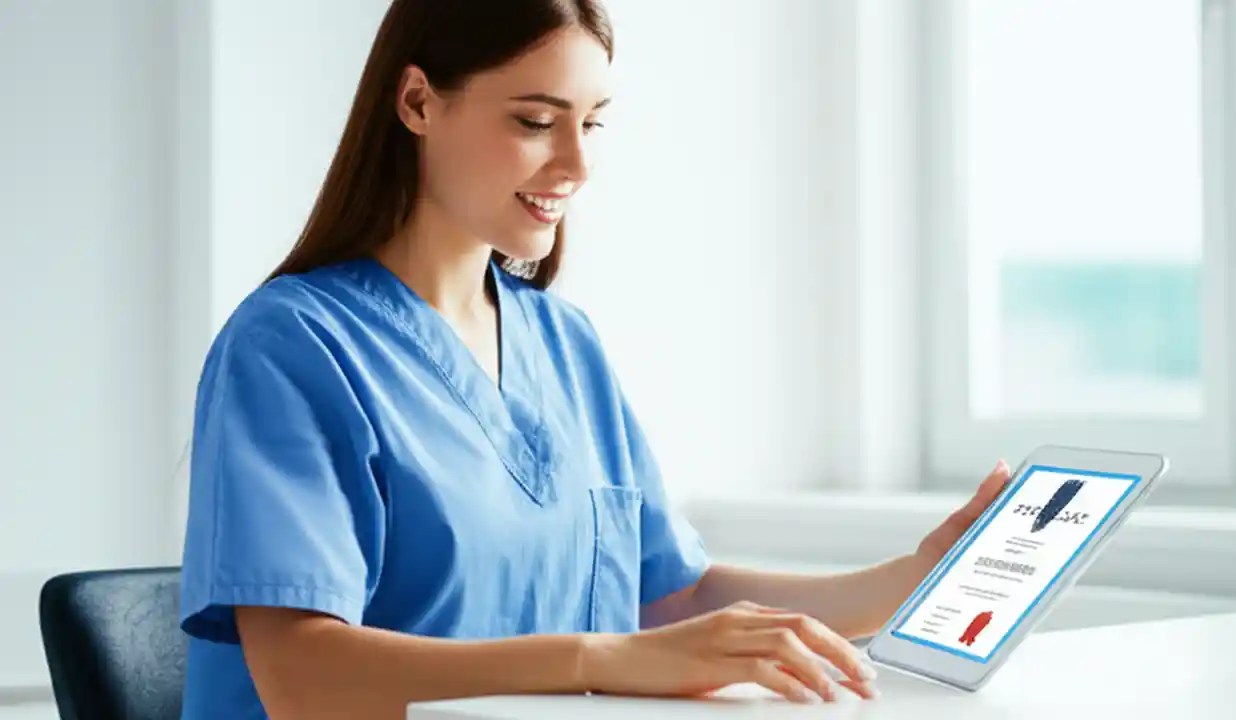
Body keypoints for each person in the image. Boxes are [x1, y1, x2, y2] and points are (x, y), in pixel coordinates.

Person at [177, 1, 1012, 717]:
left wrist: (912, 580)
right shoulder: (292, 347)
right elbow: (301, 679)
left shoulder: (561, 343)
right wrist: (599, 660)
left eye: (593, 122)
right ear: (418, 101)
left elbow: (669, 598)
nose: (577, 164)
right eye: (536, 122)